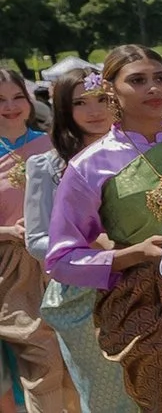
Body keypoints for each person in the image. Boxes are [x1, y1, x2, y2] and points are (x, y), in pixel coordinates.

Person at [44, 47, 162, 411]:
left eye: (160, 78)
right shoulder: (90, 166)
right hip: (141, 302)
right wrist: (131, 254)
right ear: (110, 90)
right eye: (137, 80)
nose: (154, 89)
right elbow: (61, 258)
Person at [22, 72, 133, 412]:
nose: (94, 111)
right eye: (80, 103)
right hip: (81, 295)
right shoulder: (46, 166)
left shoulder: (141, 154)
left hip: (142, 282)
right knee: (108, 398)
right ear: (63, 109)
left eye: (102, 99)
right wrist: (87, 246)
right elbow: (36, 240)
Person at [0, 68, 78, 413]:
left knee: (74, 354)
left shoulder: (53, 144)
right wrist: (7, 232)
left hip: (59, 260)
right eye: (0, 100)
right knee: (41, 356)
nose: (11, 106)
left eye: (18, 97)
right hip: (11, 269)